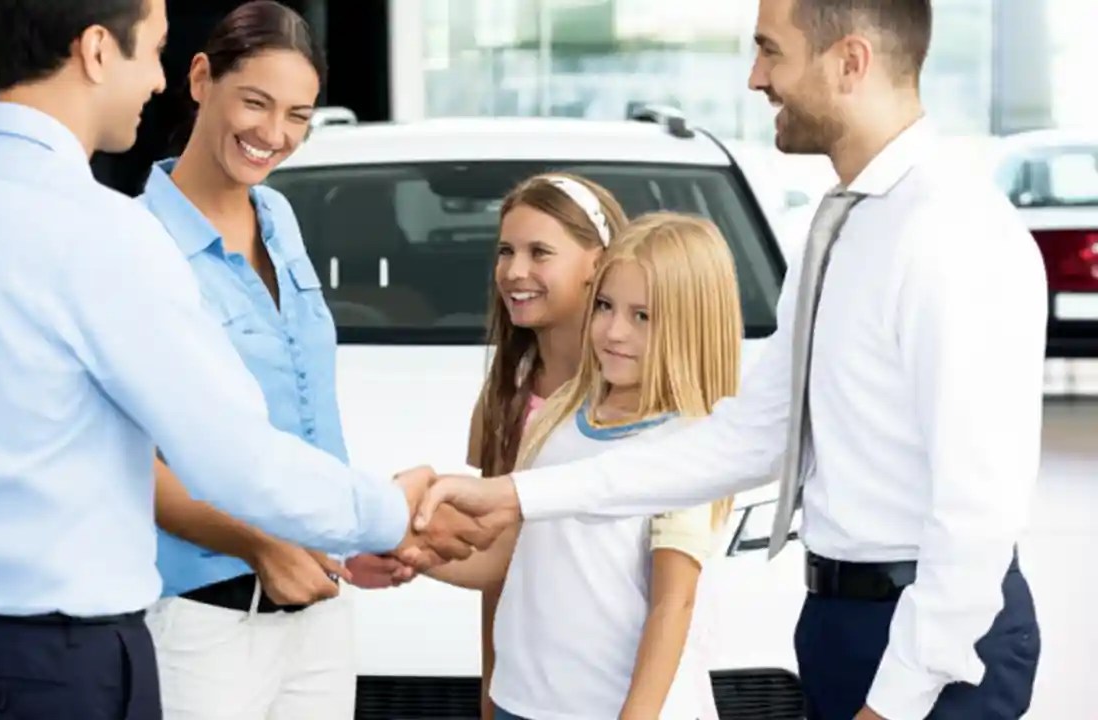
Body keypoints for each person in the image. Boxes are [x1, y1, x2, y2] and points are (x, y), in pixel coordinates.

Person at [0, 1, 482, 717]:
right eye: (153, 51)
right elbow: (230, 456)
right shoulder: (106, 232)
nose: (156, 80)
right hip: (69, 658)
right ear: (94, 51)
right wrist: (388, 514)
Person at [415, 1, 1047, 718]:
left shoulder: (953, 232)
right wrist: (519, 495)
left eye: (771, 52)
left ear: (851, 62)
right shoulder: (840, 225)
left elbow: (978, 515)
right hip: (841, 623)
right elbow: (748, 436)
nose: (754, 78)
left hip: (929, 641)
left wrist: (898, 698)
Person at [135, 3, 408, 717]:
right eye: (254, 102)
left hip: (319, 607)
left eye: (298, 114)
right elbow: (124, 457)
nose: (273, 134)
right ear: (200, 79)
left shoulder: (279, 217)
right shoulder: (136, 244)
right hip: (204, 619)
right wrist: (260, 546)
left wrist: (349, 535)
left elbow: (304, 414)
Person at [431, 213, 738, 720]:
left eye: (643, 316)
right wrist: (404, 547)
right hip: (521, 703)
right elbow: (509, 557)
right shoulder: (558, 416)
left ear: (692, 324)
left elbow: (673, 605)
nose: (614, 331)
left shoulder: (689, 448)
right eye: (605, 306)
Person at [466, 172, 627, 719]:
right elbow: (497, 573)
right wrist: (491, 692)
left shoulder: (635, 400)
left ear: (597, 263)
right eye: (506, 251)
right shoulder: (501, 402)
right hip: (526, 695)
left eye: (540, 253)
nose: (514, 272)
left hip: (614, 688)